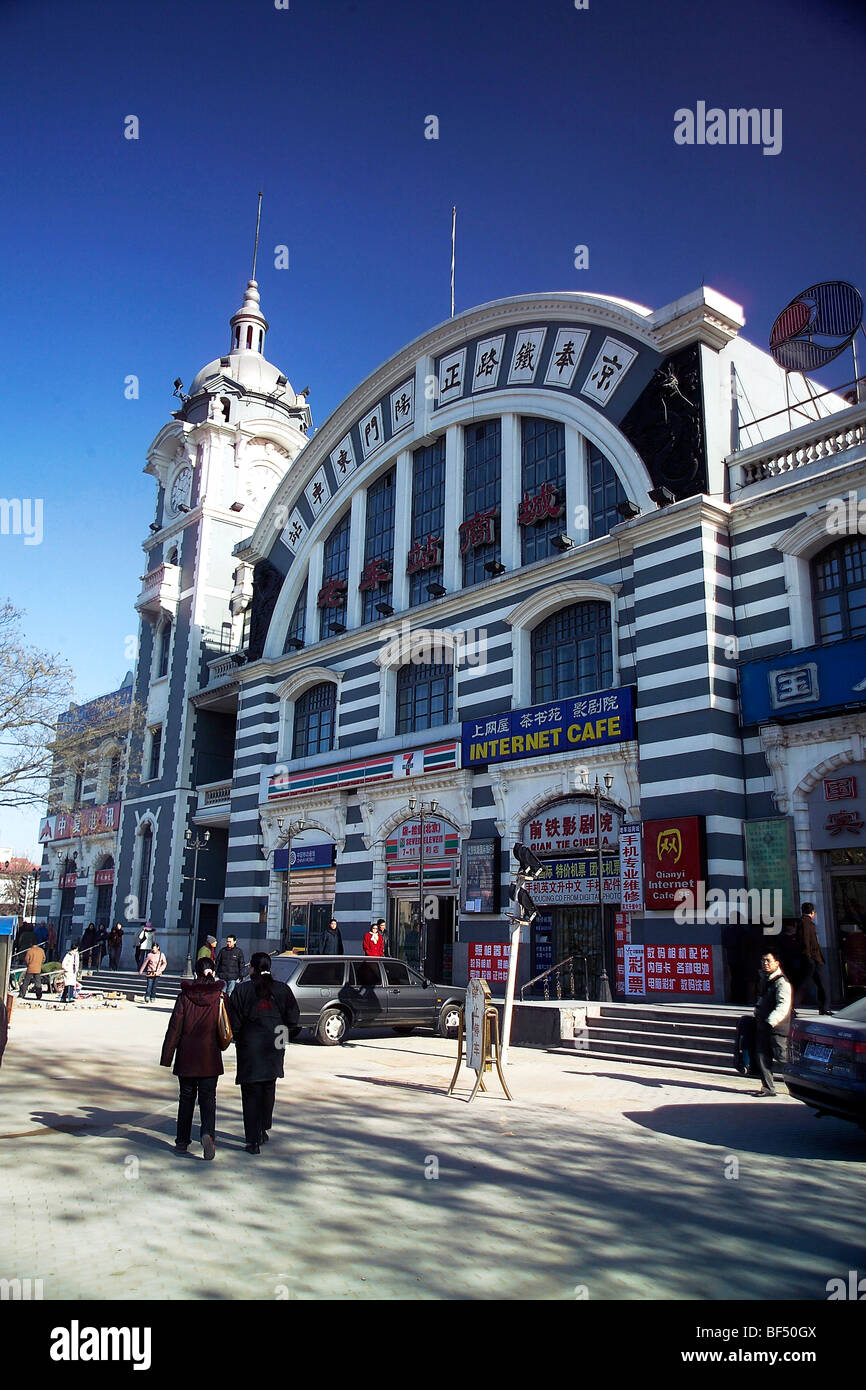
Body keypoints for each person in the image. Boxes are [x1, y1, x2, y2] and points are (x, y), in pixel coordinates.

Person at [227, 952, 300, 1154]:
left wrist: (239, 1037)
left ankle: (252, 1140)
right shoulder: (282, 989)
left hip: (250, 1044)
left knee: (250, 1092)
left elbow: (234, 1020)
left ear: (253, 969)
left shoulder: (242, 990)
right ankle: (263, 1126)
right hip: (275, 1042)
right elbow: (293, 1019)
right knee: (269, 1086)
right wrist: (283, 1036)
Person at [160, 957, 224, 1159]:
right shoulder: (219, 997)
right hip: (209, 1057)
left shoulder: (184, 997)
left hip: (187, 1056)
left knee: (186, 1098)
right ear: (212, 972)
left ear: (195, 973)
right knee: (208, 1100)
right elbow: (227, 1024)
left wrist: (167, 1056)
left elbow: (174, 1028)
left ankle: (181, 1141)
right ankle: (207, 1135)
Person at [752, 951, 792, 1097]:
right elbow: (762, 999)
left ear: (777, 963)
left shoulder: (781, 981)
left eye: (769, 960)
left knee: (782, 1058)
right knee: (762, 1057)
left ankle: (798, 1085)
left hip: (776, 1028)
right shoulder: (765, 979)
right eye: (763, 960)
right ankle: (768, 1088)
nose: (765, 963)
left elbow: (783, 1005)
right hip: (763, 1025)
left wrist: (770, 1022)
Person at [797, 902, 829, 1014]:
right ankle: (791, 1006)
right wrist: (809, 957)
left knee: (820, 984)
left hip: (814, 959)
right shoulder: (805, 923)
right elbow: (805, 941)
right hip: (812, 959)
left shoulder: (806, 923)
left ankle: (824, 1008)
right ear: (812, 912)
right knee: (803, 984)